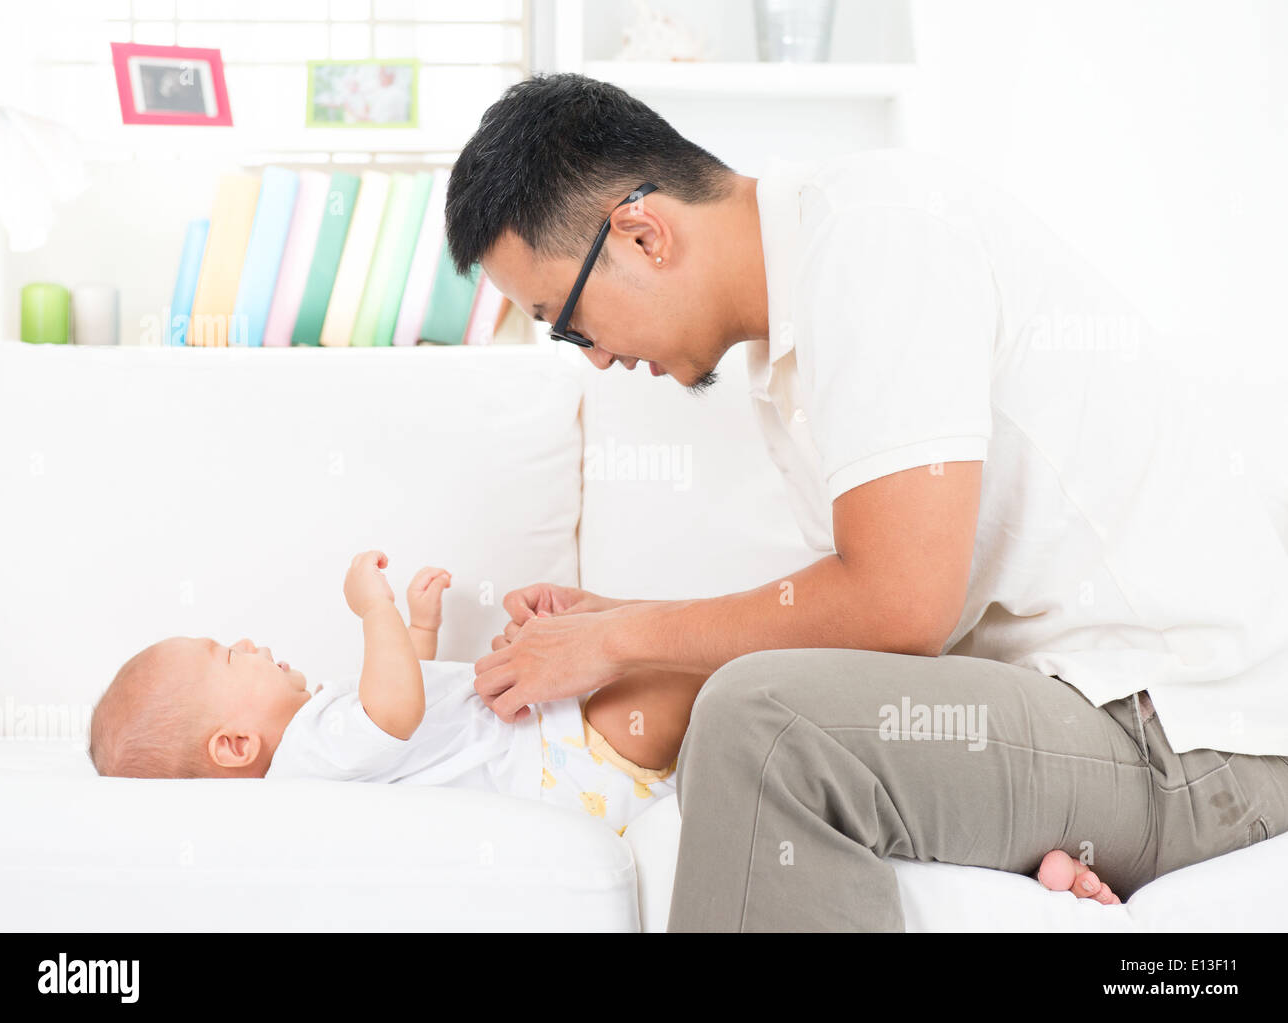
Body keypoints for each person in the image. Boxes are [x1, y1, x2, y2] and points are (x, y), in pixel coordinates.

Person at [444, 73, 1288, 930]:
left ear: (641, 233)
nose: (590, 357)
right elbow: (887, 611)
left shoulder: (876, 240)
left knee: (764, 727)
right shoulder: (803, 324)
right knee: (749, 718)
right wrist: (618, 624)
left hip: (1191, 738)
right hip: (1100, 719)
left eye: (568, 320)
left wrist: (616, 638)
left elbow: (899, 604)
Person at [88, 551, 708, 835]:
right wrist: (373, 609)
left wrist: (421, 627)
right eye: (228, 655)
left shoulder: (327, 739)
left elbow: (403, 703)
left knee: (687, 676)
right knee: (683, 670)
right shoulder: (306, 759)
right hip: (570, 761)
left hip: (566, 745)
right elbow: (394, 712)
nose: (248, 642)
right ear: (234, 745)